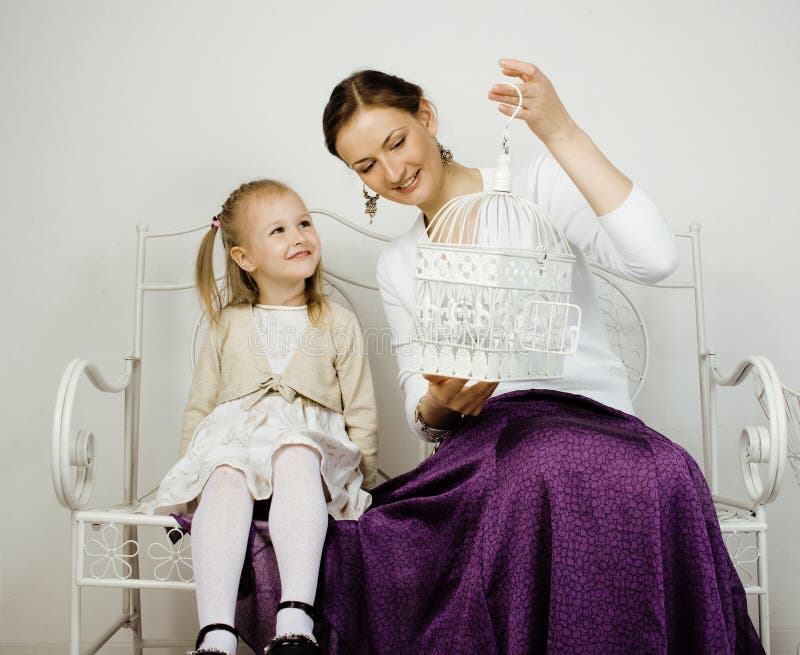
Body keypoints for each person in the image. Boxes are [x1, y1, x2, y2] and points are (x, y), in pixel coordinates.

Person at [316, 61, 766, 653]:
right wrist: (442, 404)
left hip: (592, 423)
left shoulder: (536, 187)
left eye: (396, 142)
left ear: (425, 116)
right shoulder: (400, 262)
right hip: (487, 444)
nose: (392, 171)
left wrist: (558, 129)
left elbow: (654, 260)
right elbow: (418, 408)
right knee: (416, 525)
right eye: (366, 166)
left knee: (649, 471)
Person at [140, 179, 378, 655]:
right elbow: (202, 403)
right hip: (240, 448)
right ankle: (215, 633)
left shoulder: (334, 321)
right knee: (225, 473)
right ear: (245, 258)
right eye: (279, 229)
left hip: (311, 462)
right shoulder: (229, 323)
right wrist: (192, 472)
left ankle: (295, 620)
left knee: (296, 450)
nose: (300, 235)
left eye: (305, 223)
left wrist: (362, 474)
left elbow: (361, 405)